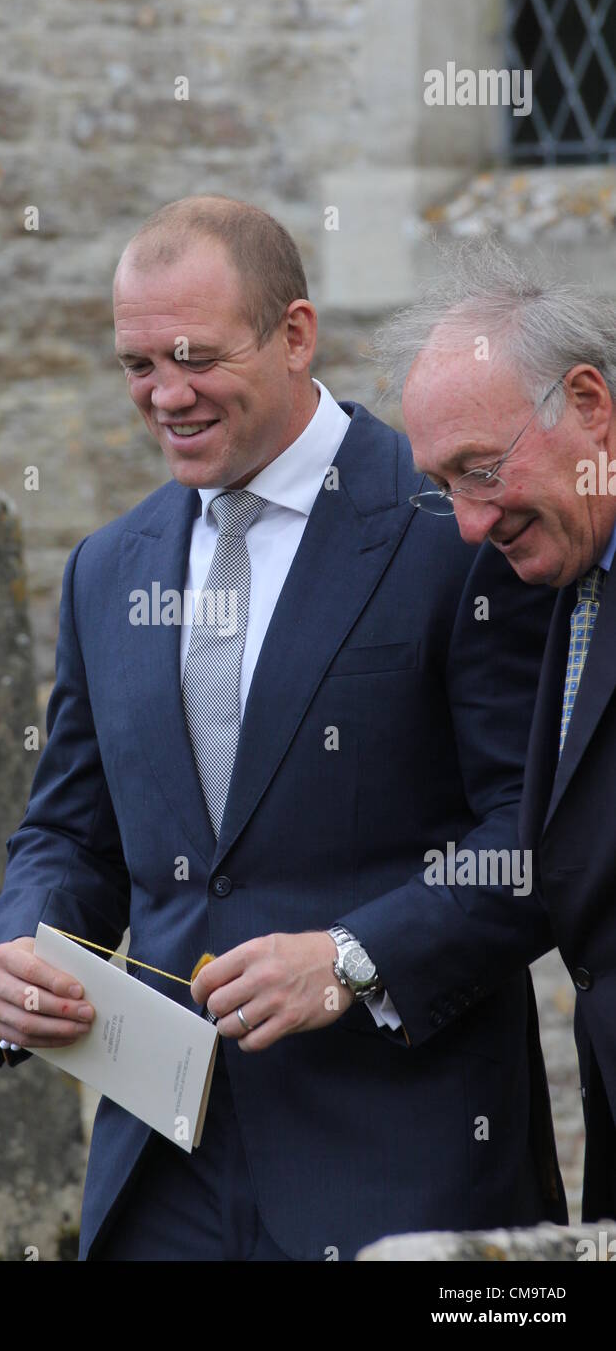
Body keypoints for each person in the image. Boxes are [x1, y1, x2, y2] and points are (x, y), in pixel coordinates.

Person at [0, 198, 565, 1261]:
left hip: (404, 1165)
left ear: (295, 334)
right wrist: (24, 942)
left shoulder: (454, 525)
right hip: (161, 1183)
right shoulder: (105, 570)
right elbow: (67, 835)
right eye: (136, 364)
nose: (165, 394)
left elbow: (533, 835)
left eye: (196, 357)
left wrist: (350, 958)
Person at [375, 238, 616, 1220]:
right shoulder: (571, 585)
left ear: (588, 405)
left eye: (481, 470)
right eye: (444, 487)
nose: (470, 523)